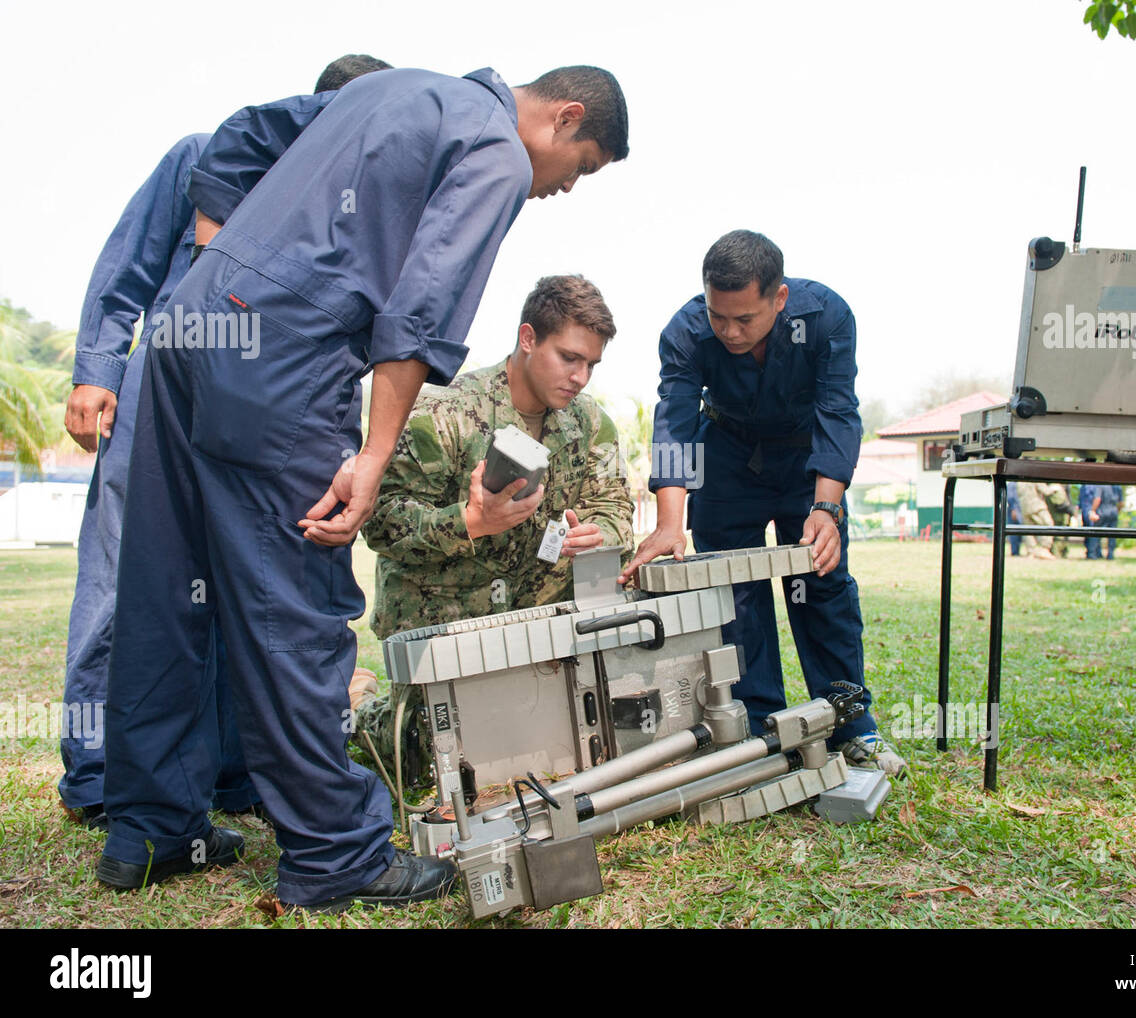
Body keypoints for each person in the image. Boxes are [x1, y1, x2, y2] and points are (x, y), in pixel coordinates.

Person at [95, 65, 629, 914]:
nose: (564, 188)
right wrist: (375, 454)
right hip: (284, 359)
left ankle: (153, 830)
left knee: (164, 586)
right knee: (295, 597)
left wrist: (228, 263)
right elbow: (420, 308)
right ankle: (333, 855)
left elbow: (239, 139)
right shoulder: (493, 150)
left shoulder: (398, 88)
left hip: (188, 328)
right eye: (583, 166)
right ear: (564, 118)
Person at [59, 54, 391, 832]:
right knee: (124, 586)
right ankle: (100, 770)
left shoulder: (355, 205)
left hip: (263, 419)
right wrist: (97, 370)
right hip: (164, 394)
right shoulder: (207, 154)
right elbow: (129, 267)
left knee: (240, 592)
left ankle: (229, 769)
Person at [619, 230, 904, 777]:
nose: (727, 331)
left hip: (804, 462)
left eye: (743, 319)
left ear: (779, 298)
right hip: (727, 457)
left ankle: (851, 727)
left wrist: (827, 511)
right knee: (734, 590)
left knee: (819, 582)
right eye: (717, 314)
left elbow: (838, 410)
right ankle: (759, 732)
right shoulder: (685, 331)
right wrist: (670, 521)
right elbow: (676, 417)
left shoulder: (827, 317)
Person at [355, 275, 634, 786]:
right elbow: (381, 523)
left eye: (591, 364)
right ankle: (359, 706)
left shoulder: (588, 422)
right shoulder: (444, 412)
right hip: (445, 620)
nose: (580, 377)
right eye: (569, 357)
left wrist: (601, 531)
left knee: (543, 748)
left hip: (535, 623)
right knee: (426, 764)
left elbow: (615, 503)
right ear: (528, 339)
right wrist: (469, 523)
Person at [1096, 484, 1123, 559]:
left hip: (1102, 512)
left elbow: (1097, 499)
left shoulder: (1100, 486)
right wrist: (1117, 510)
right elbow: (1121, 503)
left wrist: (1093, 510)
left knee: (1097, 534)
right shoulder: (1118, 487)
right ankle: (1110, 554)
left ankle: (1098, 553)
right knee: (1112, 535)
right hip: (1113, 512)